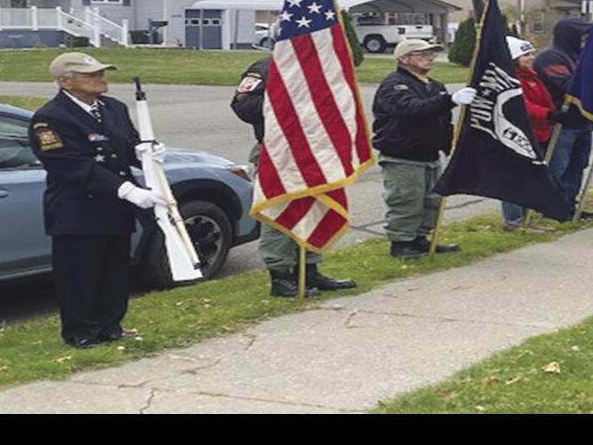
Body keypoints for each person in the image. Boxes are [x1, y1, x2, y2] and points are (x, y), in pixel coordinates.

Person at [30, 52, 162, 349]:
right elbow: (71, 165)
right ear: (66, 81)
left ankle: (110, 325)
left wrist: (145, 152)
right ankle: (81, 332)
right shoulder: (50, 118)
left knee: (114, 272)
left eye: (102, 73)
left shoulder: (112, 108)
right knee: (80, 275)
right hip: (78, 209)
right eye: (91, 75)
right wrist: (128, 190)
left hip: (113, 207)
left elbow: (125, 146)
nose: (101, 79)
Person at [231, 52, 357, 297]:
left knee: (314, 208)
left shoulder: (320, 64)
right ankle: (281, 277)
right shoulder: (265, 67)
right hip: (278, 152)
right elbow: (242, 106)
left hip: (316, 151)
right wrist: (284, 96)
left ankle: (309, 270)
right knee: (280, 211)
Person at [371, 39, 477, 259]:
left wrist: (451, 148)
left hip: (429, 154)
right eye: (421, 54)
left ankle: (420, 238)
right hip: (402, 155)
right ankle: (401, 243)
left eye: (431, 54)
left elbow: (443, 121)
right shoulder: (394, 84)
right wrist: (449, 100)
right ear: (403, 59)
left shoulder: (434, 86)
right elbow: (410, 109)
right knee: (406, 200)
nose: (429, 58)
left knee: (431, 201)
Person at [535, 16, 593, 220]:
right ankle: (552, 206)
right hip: (561, 123)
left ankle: (569, 203)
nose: (585, 41)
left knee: (578, 164)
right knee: (557, 167)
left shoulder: (580, 56)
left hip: (583, 120)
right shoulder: (550, 57)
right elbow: (570, 85)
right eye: (582, 36)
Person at [501, 36, 556, 233]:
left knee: (532, 178)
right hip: (519, 134)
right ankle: (513, 221)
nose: (531, 58)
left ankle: (527, 218)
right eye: (526, 55)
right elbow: (522, 105)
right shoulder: (510, 80)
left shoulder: (531, 76)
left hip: (538, 132)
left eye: (531, 54)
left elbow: (544, 101)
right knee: (515, 179)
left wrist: (553, 115)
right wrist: (548, 114)